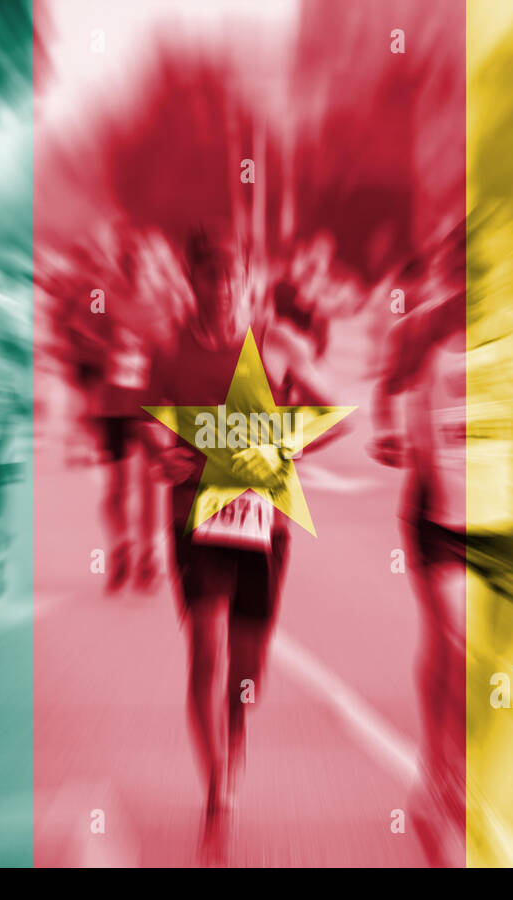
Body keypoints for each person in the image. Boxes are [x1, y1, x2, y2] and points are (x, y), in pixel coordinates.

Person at [145, 226, 345, 863]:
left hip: (263, 525)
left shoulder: (276, 344)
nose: (225, 287)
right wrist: (161, 458)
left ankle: (234, 732)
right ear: (193, 280)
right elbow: (149, 423)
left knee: (248, 669)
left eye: (234, 275)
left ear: (247, 278)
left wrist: (286, 449)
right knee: (205, 641)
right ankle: (215, 786)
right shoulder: (168, 351)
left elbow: (336, 410)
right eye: (212, 275)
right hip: (195, 519)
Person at [369, 220, 471, 866]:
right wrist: (391, 436)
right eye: (462, 270)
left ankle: (440, 772)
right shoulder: (423, 325)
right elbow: (387, 388)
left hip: (491, 514)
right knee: (450, 640)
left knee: (455, 648)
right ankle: (442, 776)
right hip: (433, 511)